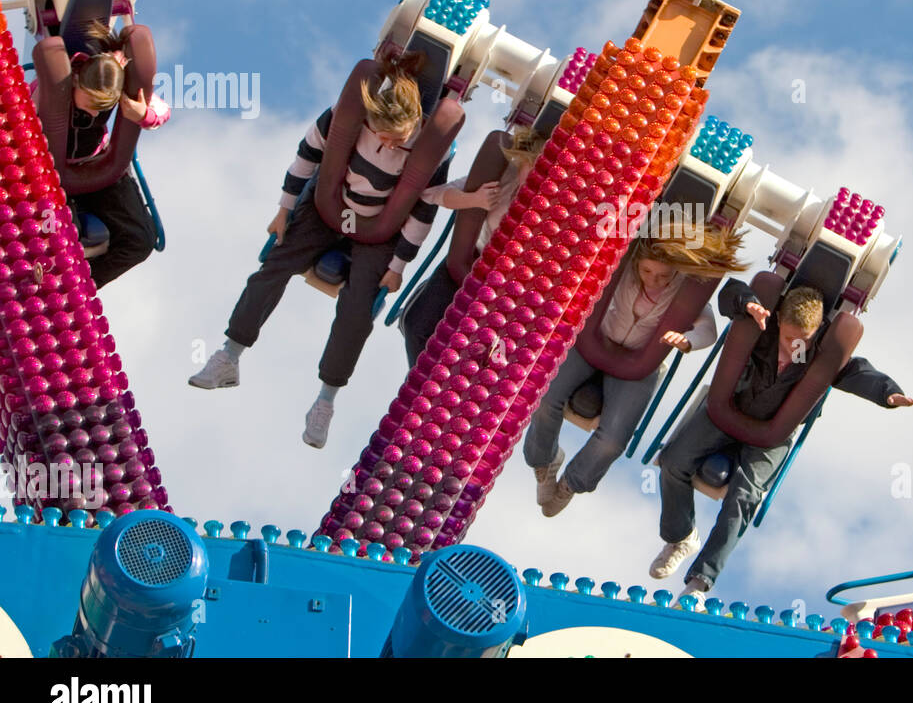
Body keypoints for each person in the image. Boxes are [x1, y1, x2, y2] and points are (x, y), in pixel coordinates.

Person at [188, 54, 499, 448]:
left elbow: (423, 207)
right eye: (382, 135)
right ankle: (229, 355)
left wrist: (398, 265)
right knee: (274, 267)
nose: (388, 143)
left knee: (357, 311)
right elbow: (308, 154)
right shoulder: (349, 117)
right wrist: (284, 210)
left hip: (377, 229)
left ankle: (324, 402)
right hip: (332, 208)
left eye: (396, 140)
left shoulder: (424, 147)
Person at [649, 281, 913, 604]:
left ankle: (700, 581)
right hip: (730, 407)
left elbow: (858, 371)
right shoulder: (761, 326)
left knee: (744, 496)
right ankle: (680, 537)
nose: (794, 344)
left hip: (771, 434)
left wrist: (887, 393)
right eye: (789, 336)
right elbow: (729, 295)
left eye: (802, 339)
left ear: (818, 329)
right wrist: (748, 301)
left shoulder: (822, 351)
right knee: (672, 461)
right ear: (778, 319)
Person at [523, 221, 747, 516]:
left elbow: (708, 330)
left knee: (612, 440)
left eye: (662, 276)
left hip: (636, 365)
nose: (653, 280)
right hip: (595, 342)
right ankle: (544, 461)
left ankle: (571, 484)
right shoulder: (624, 267)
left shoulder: (682, 291)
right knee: (545, 400)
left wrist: (687, 340)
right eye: (647, 271)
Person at [36, 21, 170, 287]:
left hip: (98, 166)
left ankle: (77, 288)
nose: (96, 114)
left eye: (102, 108)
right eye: (89, 104)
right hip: (54, 176)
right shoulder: (49, 93)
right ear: (75, 81)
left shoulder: (114, 83)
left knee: (140, 240)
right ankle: (47, 277)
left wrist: (144, 114)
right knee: (62, 240)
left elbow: (162, 110)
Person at [397, 127, 543, 366]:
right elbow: (433, 195)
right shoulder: (504, 176)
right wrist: (474, 199)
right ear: (523, 162)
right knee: (418, 325)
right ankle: (421, 383)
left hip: (509, 285)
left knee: (476, 353)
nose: (534, 181)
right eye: (531, 169)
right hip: (473, 261)